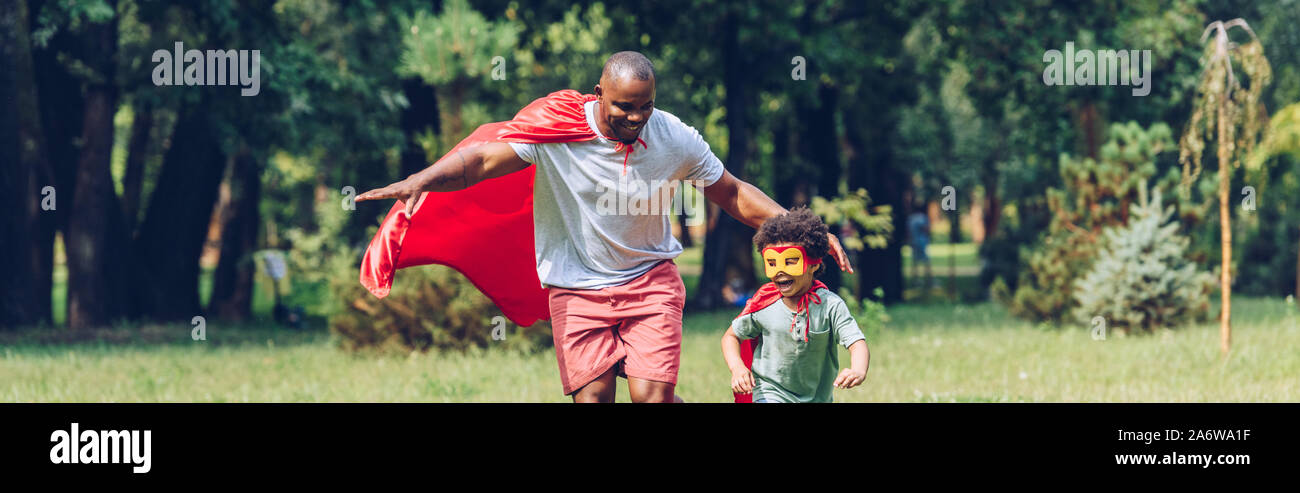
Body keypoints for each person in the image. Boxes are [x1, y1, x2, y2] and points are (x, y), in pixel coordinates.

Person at [356, 51, 853, 403]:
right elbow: (482, 161)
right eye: (624, 107)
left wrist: (800, 228)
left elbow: (730, 192)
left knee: (650, 397)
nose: (636, 117)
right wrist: (420, 179)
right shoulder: (557, 131)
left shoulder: (674, 137)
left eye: (645, 105)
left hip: (650, 279)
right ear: (600, 94)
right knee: (593, 398)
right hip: (574, 287)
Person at [721, 208, 870, 403]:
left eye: (790, 262)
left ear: (814, 264)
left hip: (817, 397)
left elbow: (856, 342)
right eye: (772, 263)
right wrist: (737, 368)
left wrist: (858, 369)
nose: (780, 271)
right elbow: (731, 336)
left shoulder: (830, 305)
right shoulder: (764, 304)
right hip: (770, 392)